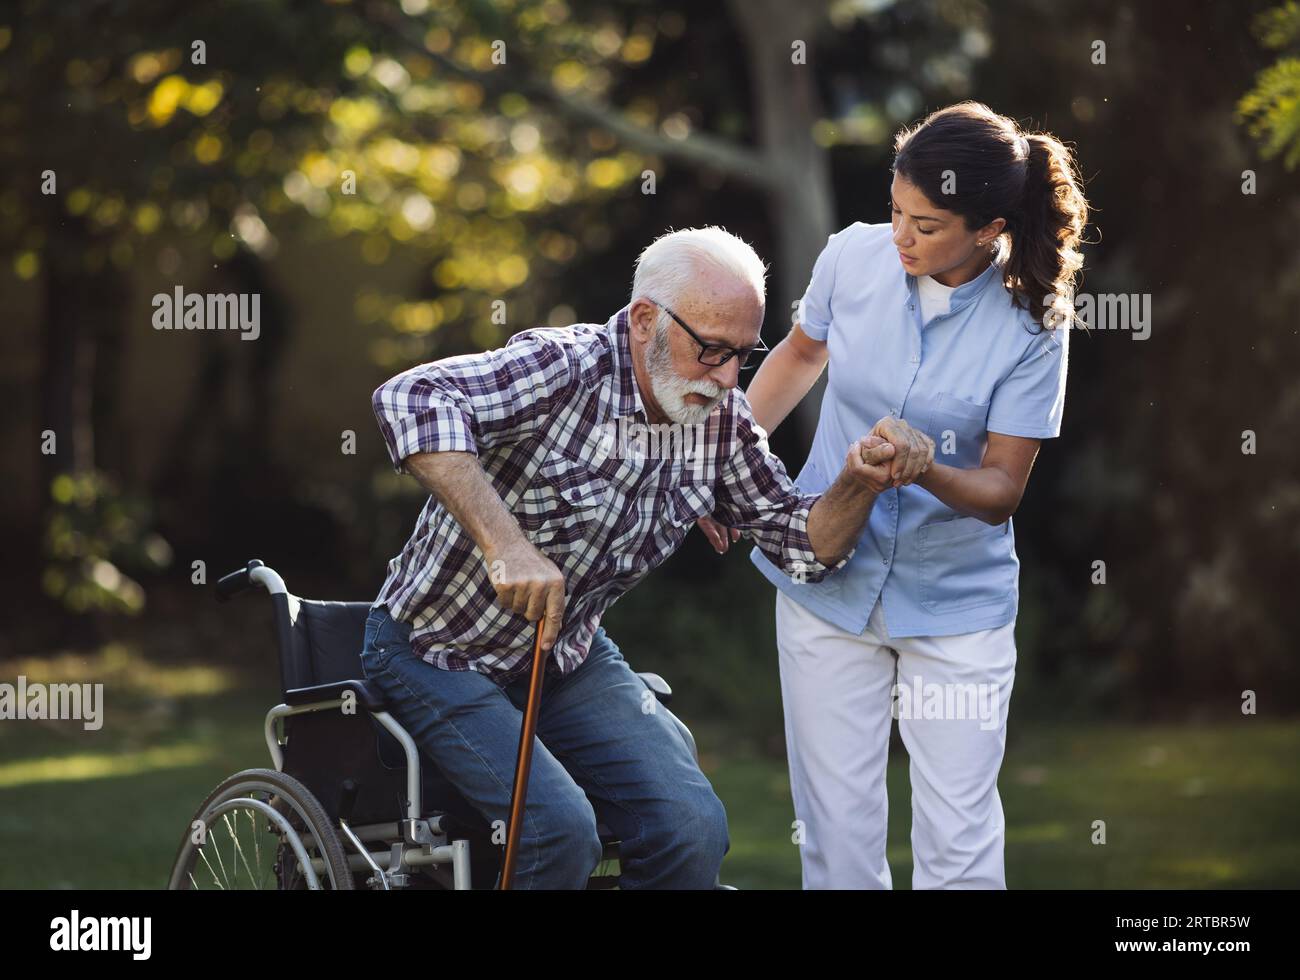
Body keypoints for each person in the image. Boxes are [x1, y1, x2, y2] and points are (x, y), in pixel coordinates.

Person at [364, 226, 899, 888]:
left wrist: (859, 482)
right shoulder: (564, 367)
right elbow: (410, 397)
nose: (728, 377)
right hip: (436, 650)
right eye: (709, 349)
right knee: (559, 831)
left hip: (565, 657)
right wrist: (505, 545)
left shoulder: (721, 422)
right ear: (645, 319)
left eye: (742, 355)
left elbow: (803, 546)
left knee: (690, 826)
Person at [699, 102, 1090, 889]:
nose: (901, 238)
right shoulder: (854, 257)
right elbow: (798, 358)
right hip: (824, 588)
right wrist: (720, 471)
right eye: (895, 212)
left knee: (958, 842)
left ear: (988, 228)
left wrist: (926, 467)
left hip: (955, 610)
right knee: (836, 836)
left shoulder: (1035, 322)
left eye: (927, 224)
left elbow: (1000, 490)